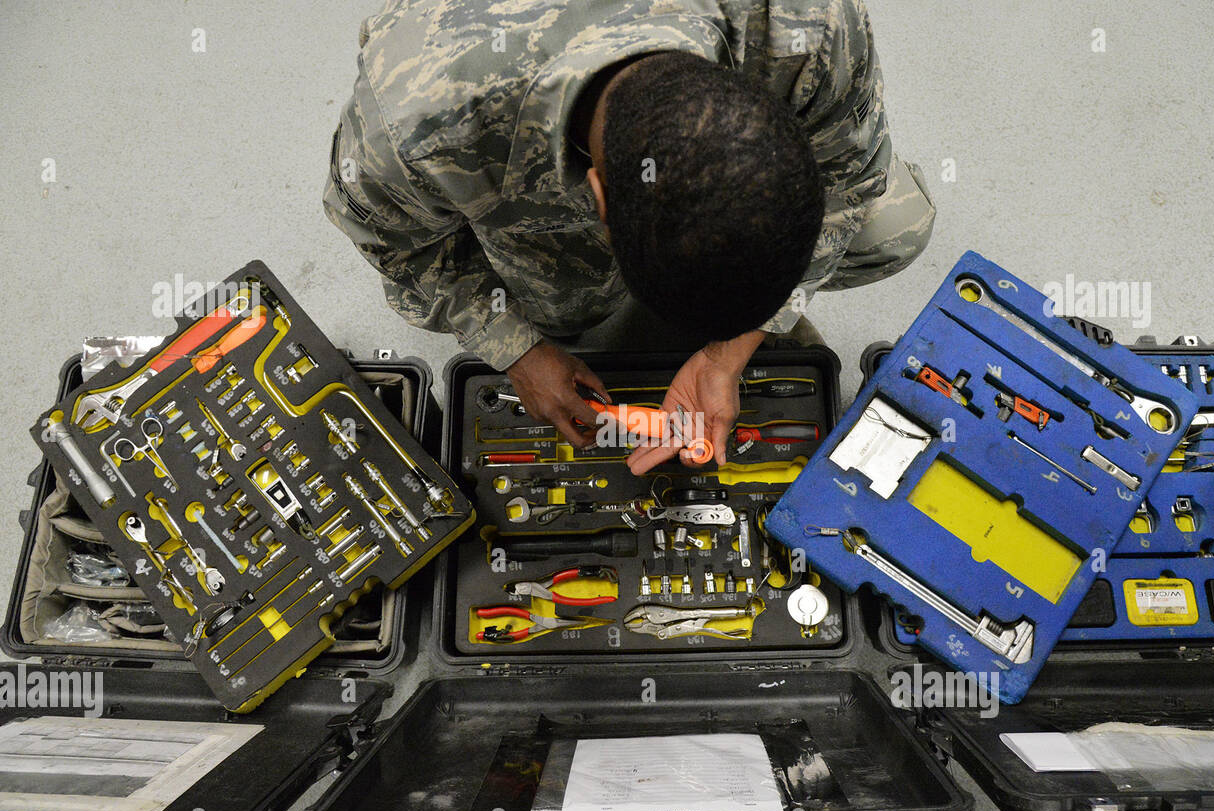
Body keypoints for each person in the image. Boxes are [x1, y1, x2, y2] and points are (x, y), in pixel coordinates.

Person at [325, 0, 934, 473]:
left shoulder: (808, 23)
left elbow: (849, 175)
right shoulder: (414, 124)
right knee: (567, 309)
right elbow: (396, 244)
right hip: (473, 83)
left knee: (893, 228)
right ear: (595, 198)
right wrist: (518, 348)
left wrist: (730, 350)